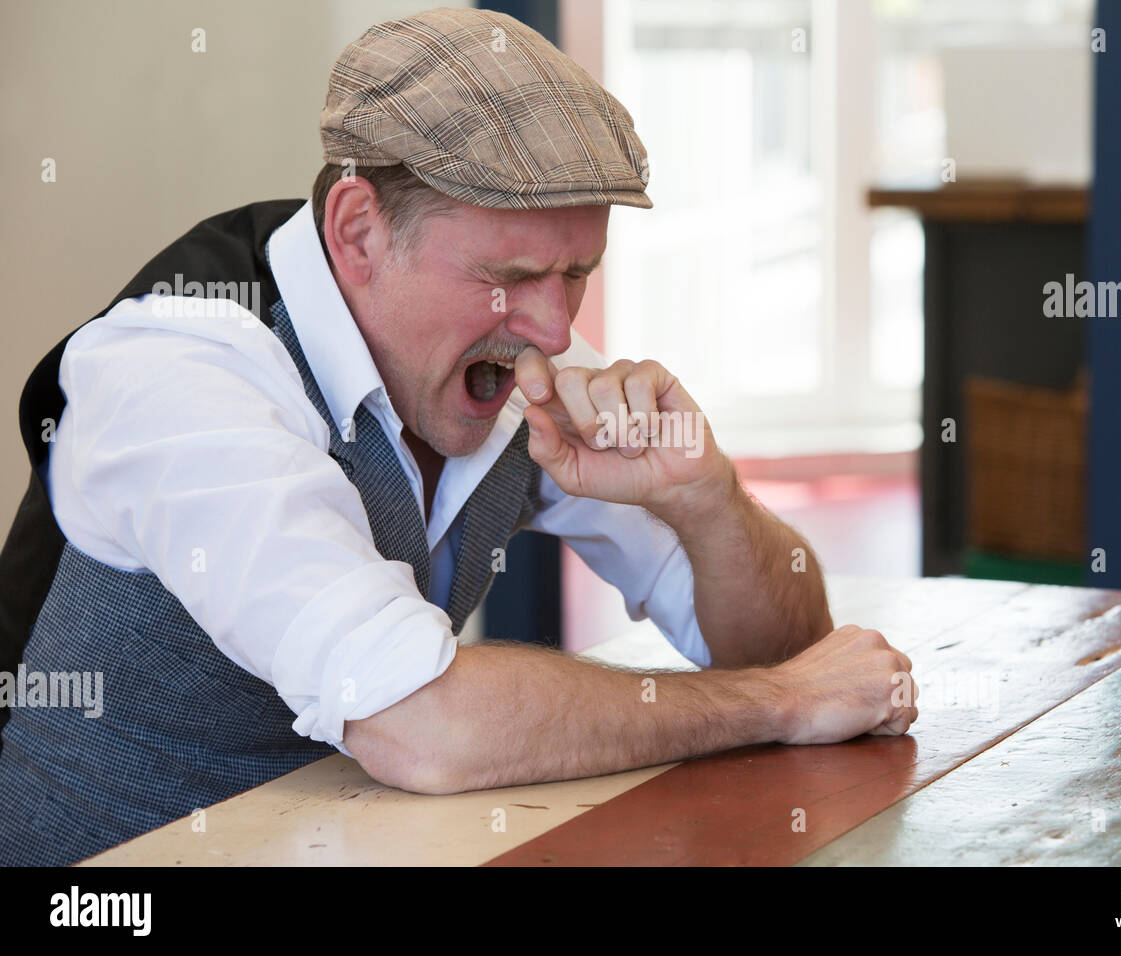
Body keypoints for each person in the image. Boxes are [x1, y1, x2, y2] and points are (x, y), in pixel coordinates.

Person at [0, 7, 916, 866]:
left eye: (576, 274)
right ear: (358, 231)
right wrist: (781, 704)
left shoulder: (509, 357)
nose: (555, 329)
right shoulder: (182, 371)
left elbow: (784, 652)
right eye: (510, 276)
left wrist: (708, 503)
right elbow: (423, 725)